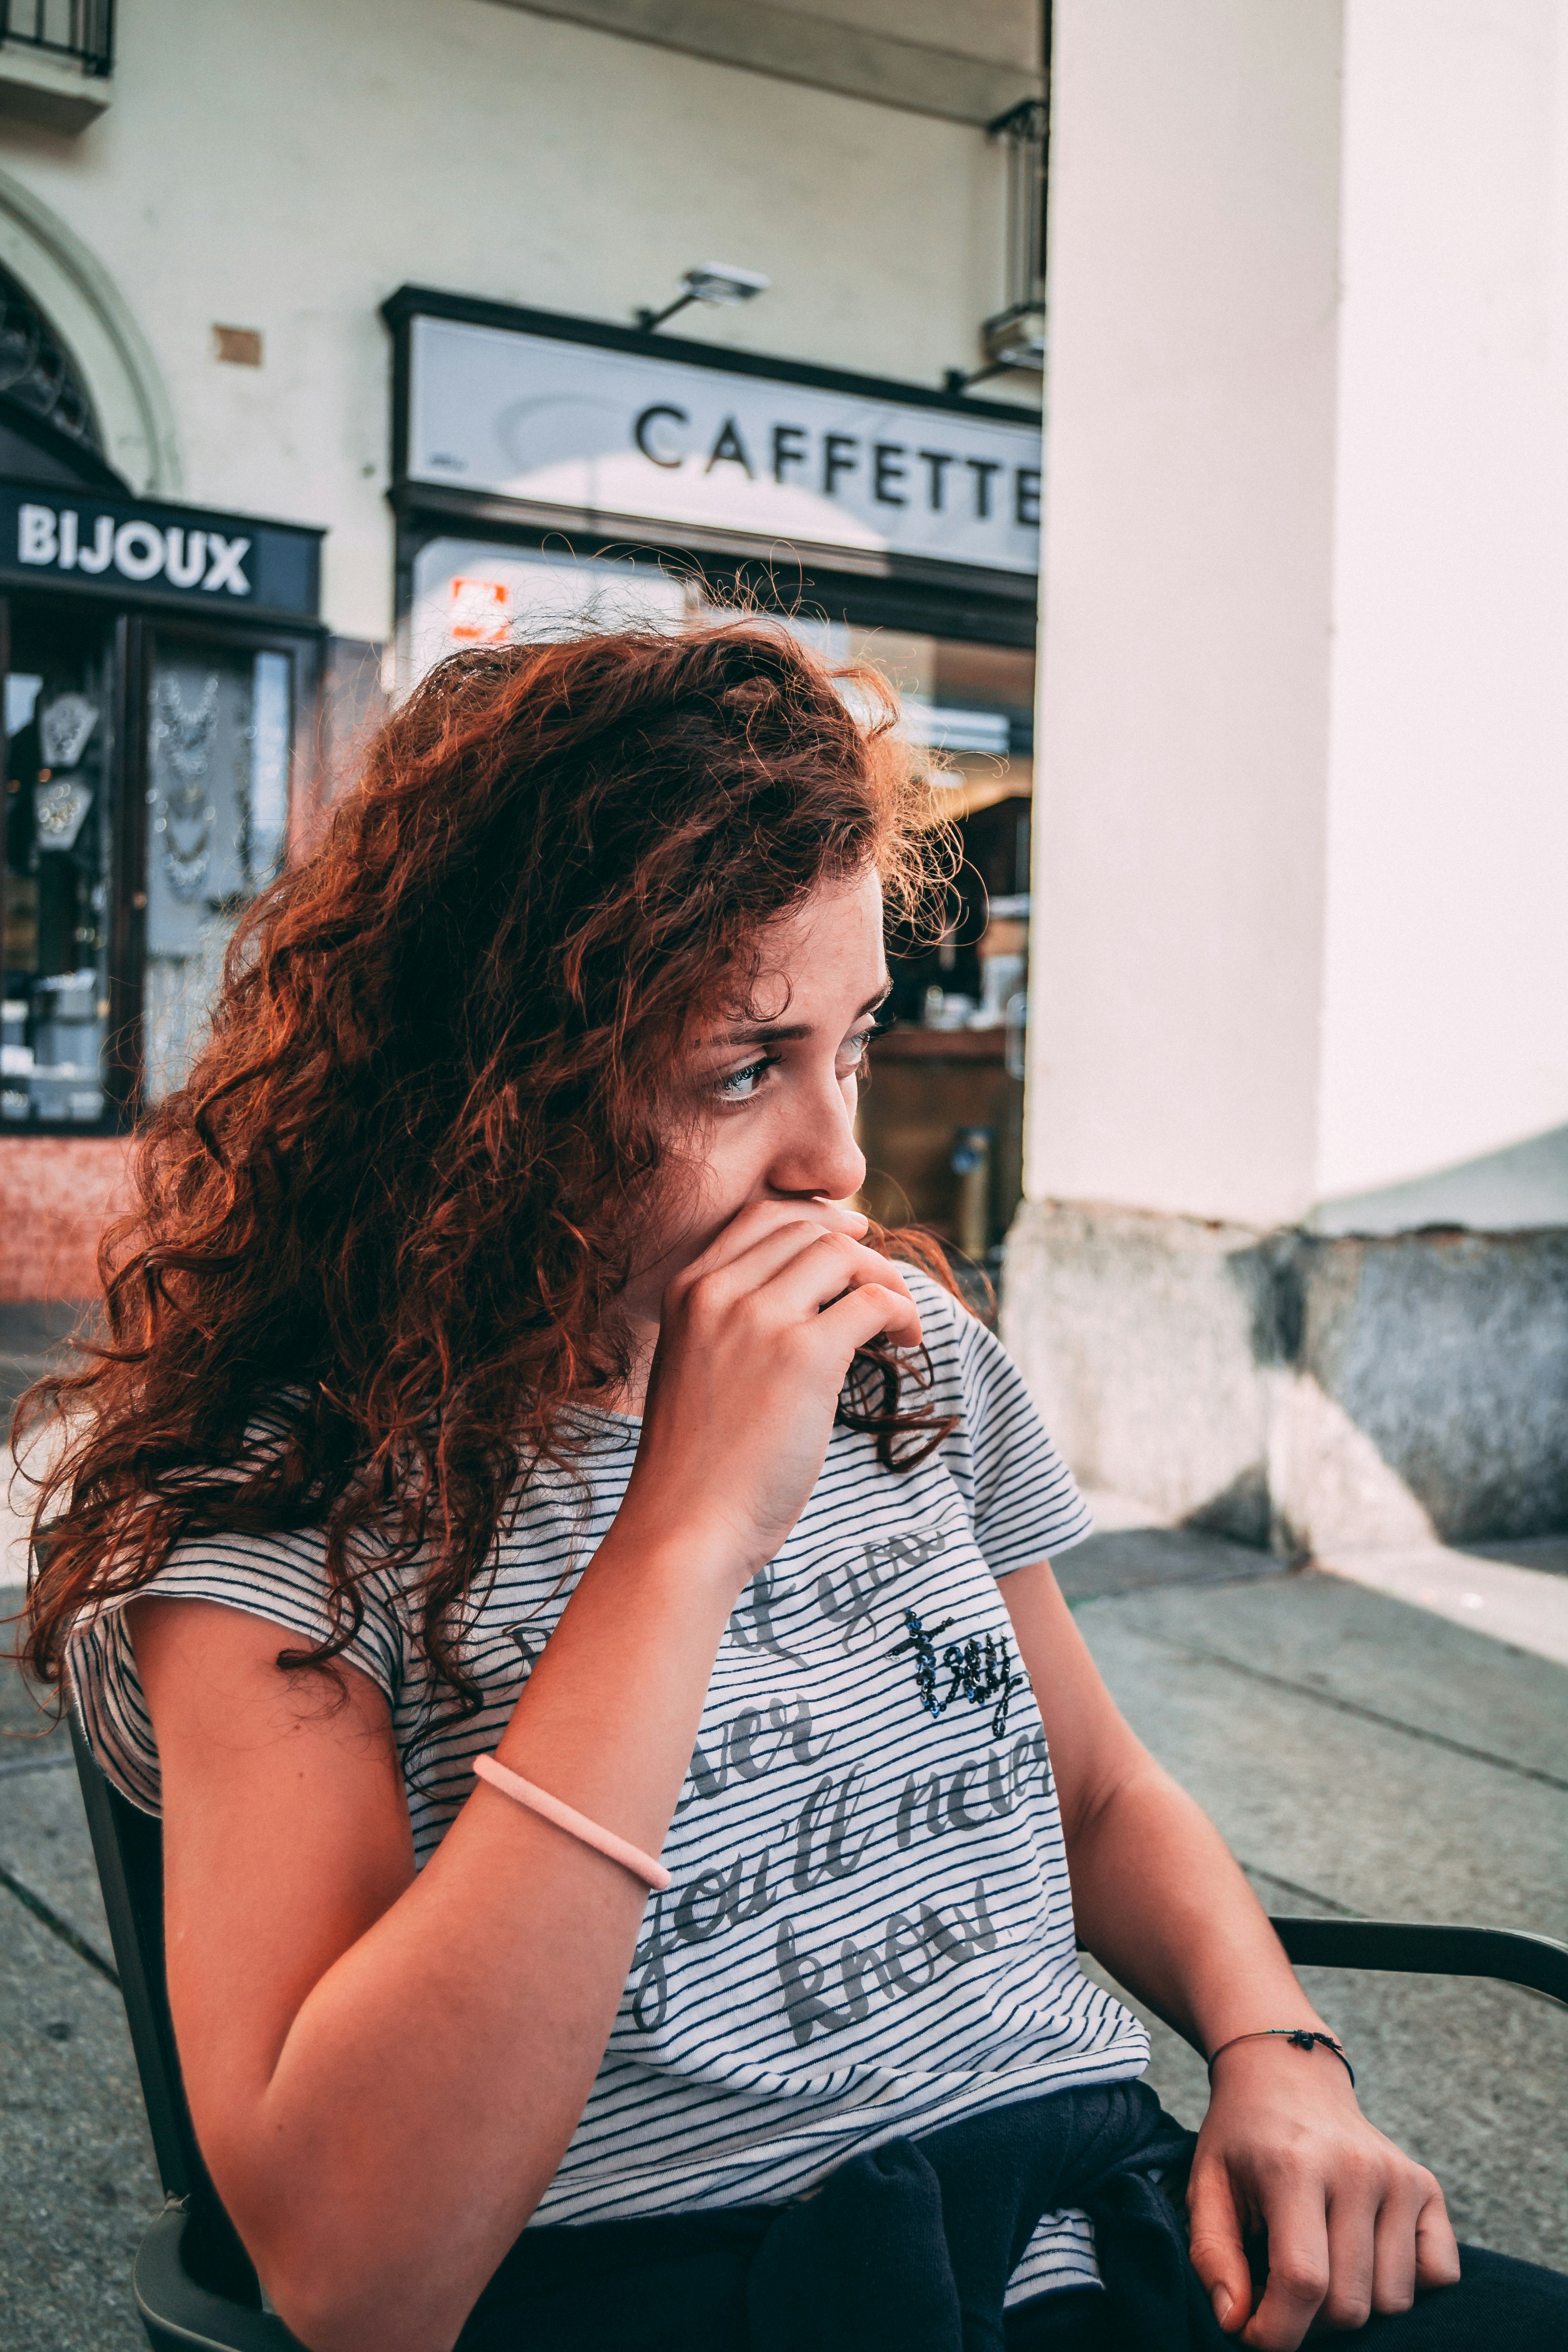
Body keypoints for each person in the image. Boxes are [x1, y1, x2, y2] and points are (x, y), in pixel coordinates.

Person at [18, 626, 1563, 2352]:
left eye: (857, 1044)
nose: (839, 1156)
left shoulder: (910, 1365)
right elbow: (358, 2271)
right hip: (703, 2284)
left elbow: (1101, 1795)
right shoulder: (290, 1519)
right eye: (744, 1066)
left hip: (1107, 2220)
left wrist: (1280, 2057)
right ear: (492, 1092)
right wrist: (679, 1537)